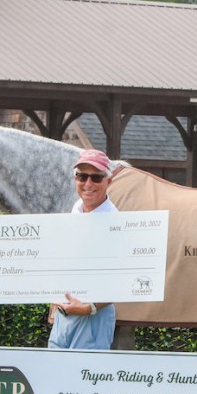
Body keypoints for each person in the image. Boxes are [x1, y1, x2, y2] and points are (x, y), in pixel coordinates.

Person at [47, 149, 118, 350]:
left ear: (108, 182)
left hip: (94, 318)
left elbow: (121, 281)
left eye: (96, 177)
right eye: (82, 176)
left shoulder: (116, 223)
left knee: (83, 378)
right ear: (75, 179)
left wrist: (90, 307)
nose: (88, 184)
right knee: (56, 375)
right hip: (64, 316)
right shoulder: (75, 210)